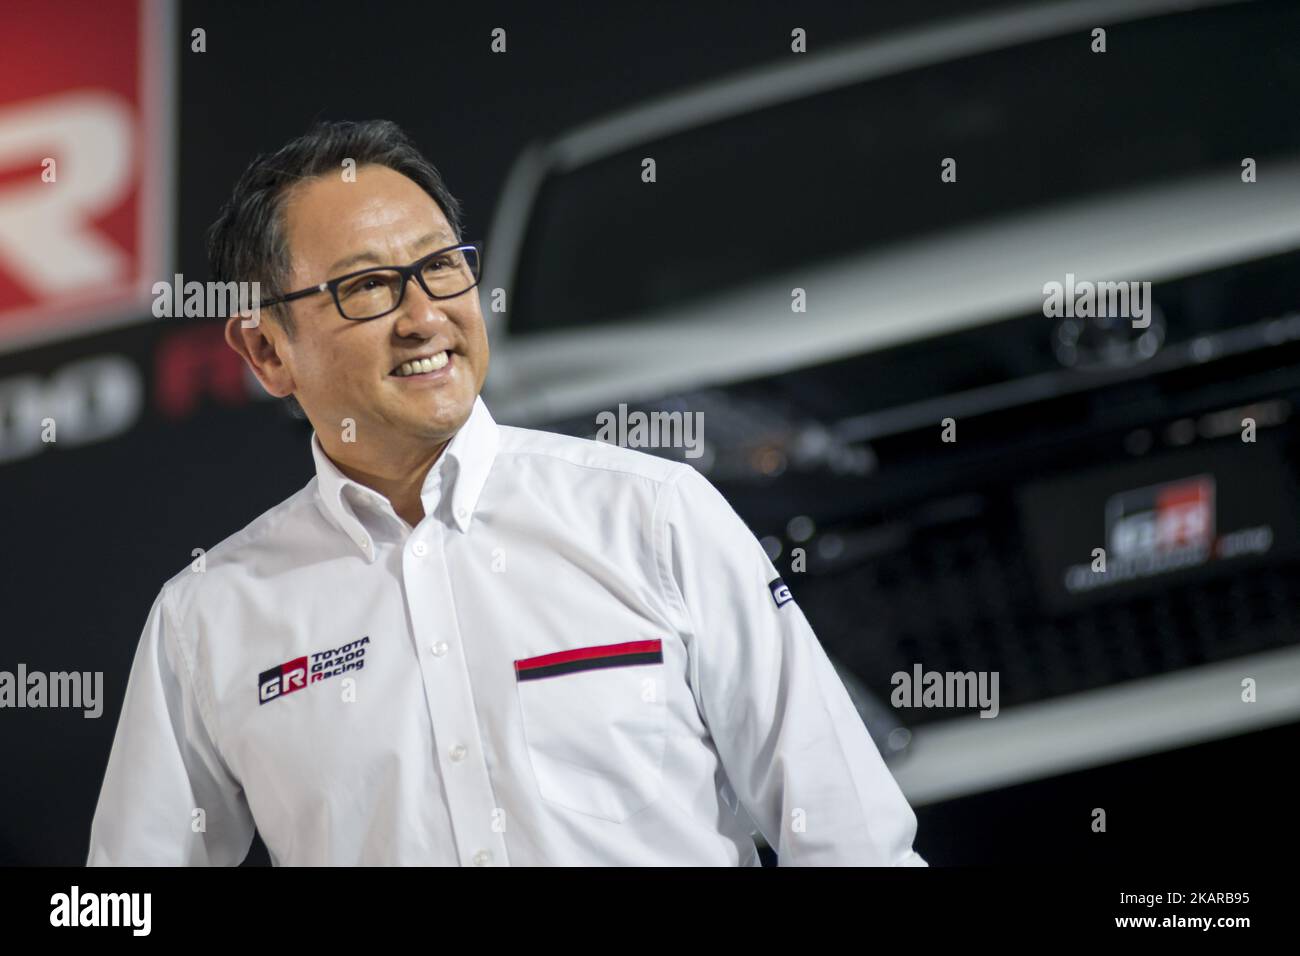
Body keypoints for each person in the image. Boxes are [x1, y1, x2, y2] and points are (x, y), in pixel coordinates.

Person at [86, 119, 927, 866]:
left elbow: (851, 839)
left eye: (442, 267)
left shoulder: (657, 516)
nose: (424, 316)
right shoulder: (208, 621)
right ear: (267, 351)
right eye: (368, 286)